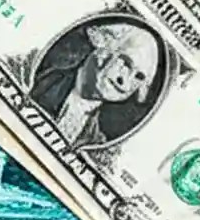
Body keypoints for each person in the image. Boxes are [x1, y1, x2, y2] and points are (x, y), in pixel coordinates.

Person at [29, 20, 162, 151]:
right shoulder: (39, 80)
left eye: (139, 77)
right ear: (103, 49)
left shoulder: (96, 143)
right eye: (125, 63)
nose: (124, 81)